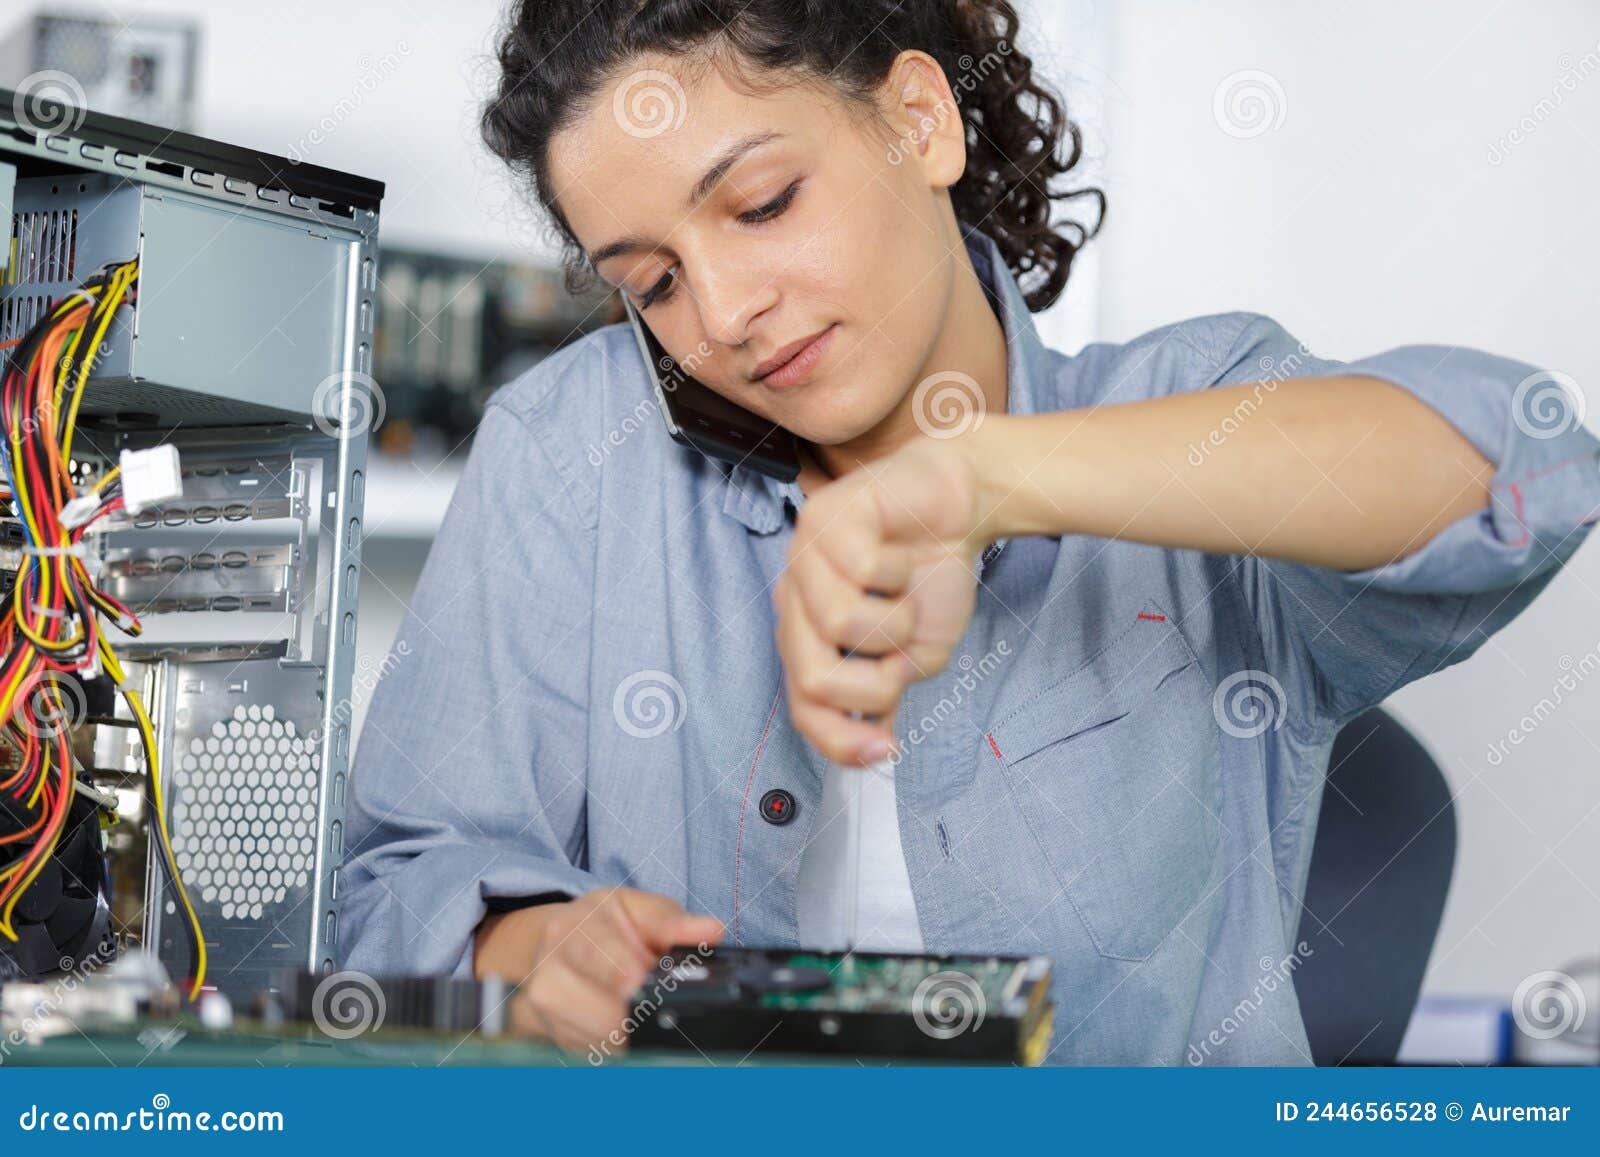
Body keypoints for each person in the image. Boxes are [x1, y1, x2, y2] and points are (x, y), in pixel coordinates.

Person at [340, 0, 1600, 1063]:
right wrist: (526, 953)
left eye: (764, 203)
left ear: (918, 121)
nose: (724, 313)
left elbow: (1527, 471)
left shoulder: (1191, 408)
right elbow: (397, 886)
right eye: (652, 283)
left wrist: (982, 475)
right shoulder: (571, 450)